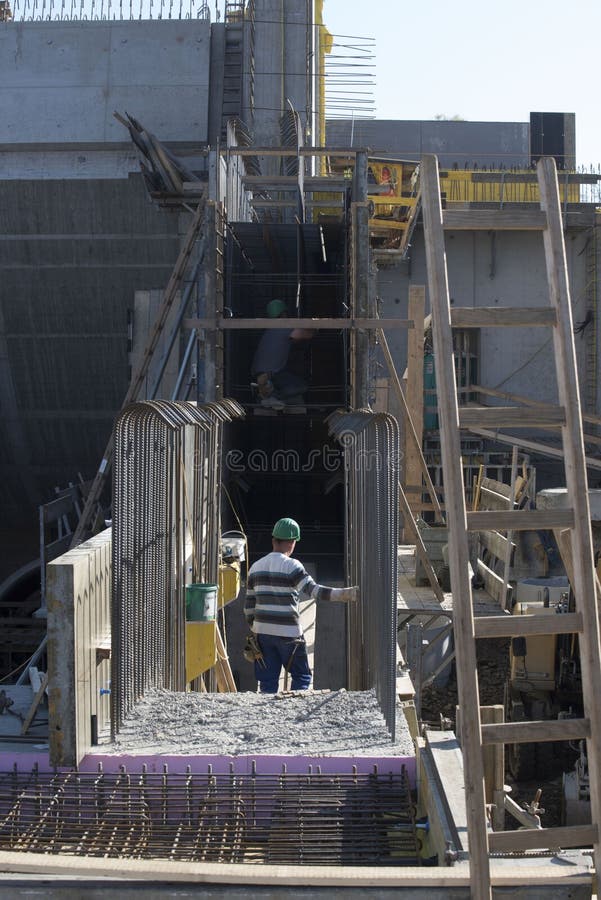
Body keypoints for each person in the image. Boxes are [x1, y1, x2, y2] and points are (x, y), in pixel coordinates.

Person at [243, 517, 359, 693]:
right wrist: (344, 594)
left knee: (267, 682)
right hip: (290, 635)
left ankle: (268, 716)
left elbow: (249, 606)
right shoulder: (292, 566)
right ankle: (295, 713)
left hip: (263, 634)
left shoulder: (255, 567)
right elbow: (314, 591)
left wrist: (256, 627)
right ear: (292, 543)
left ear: (273, 540)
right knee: (301, 676)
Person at [251, 299, 313, 410]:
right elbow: (305, 335)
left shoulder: (270, 330)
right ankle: (272, 397)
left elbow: (291, 339)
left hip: (259, 374)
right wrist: (316, 328)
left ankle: (265, 392)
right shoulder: (284, 326)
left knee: (285, 379)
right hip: (271, 374)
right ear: (284, 313)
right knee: (301, 386)